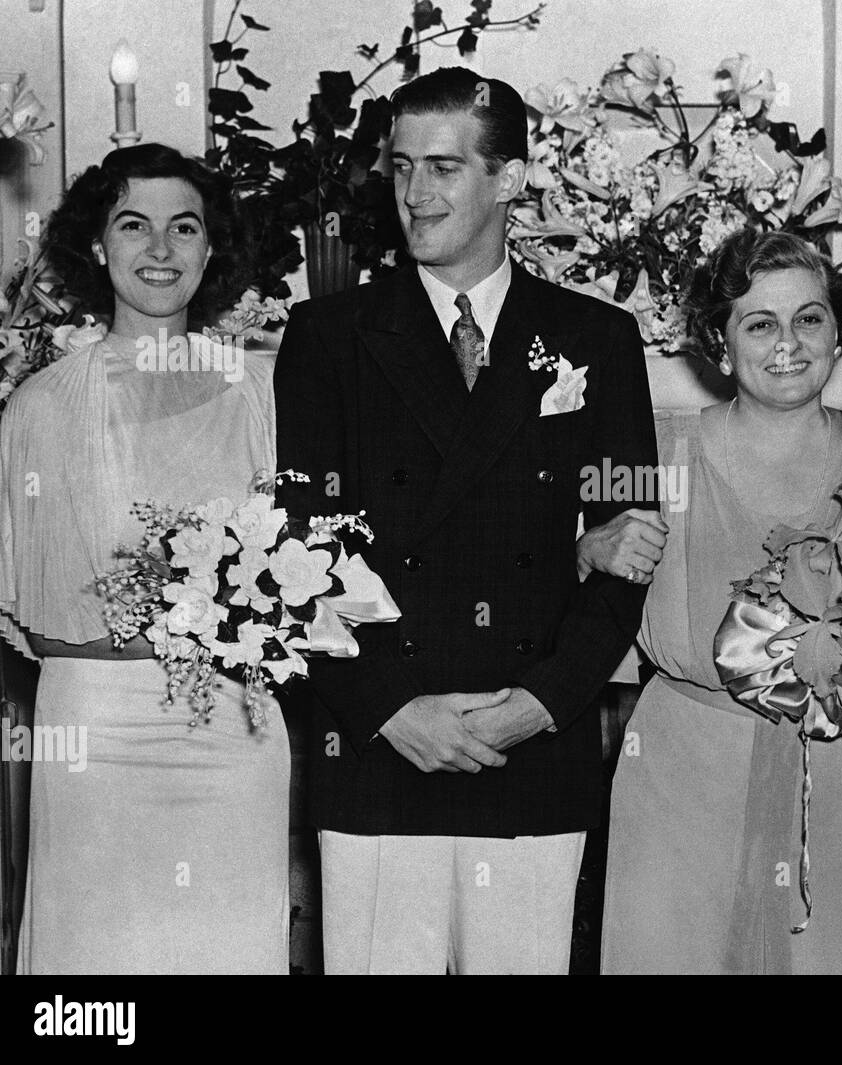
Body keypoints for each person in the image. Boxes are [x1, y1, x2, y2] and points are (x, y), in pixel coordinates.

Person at [274, 66, 657, 975]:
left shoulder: (595, 339)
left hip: (528, 749)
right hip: (378, 751)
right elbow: (299, 553)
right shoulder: (328, 338)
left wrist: (544, 703)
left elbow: (627, 556)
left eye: (442, 168)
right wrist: (389, 710)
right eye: (401, 167)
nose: (413, 193)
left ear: (509, 179)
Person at [0, 144, 289, 973]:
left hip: (232, 725)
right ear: (97, 245)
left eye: (183, 228)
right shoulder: (41, 407)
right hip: (95, 730)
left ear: (210, 248)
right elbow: (22, 601)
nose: (160, 250)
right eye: (134, 225)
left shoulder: (262, 394)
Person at [584, 228, 842, 974]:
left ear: (839, 331)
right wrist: (586, 548)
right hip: (681, 767)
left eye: (809, 318)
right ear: (719, 342)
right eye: (759, 322)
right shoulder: (657, 456)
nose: (787, 342)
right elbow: (544, 570)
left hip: (829, 763)